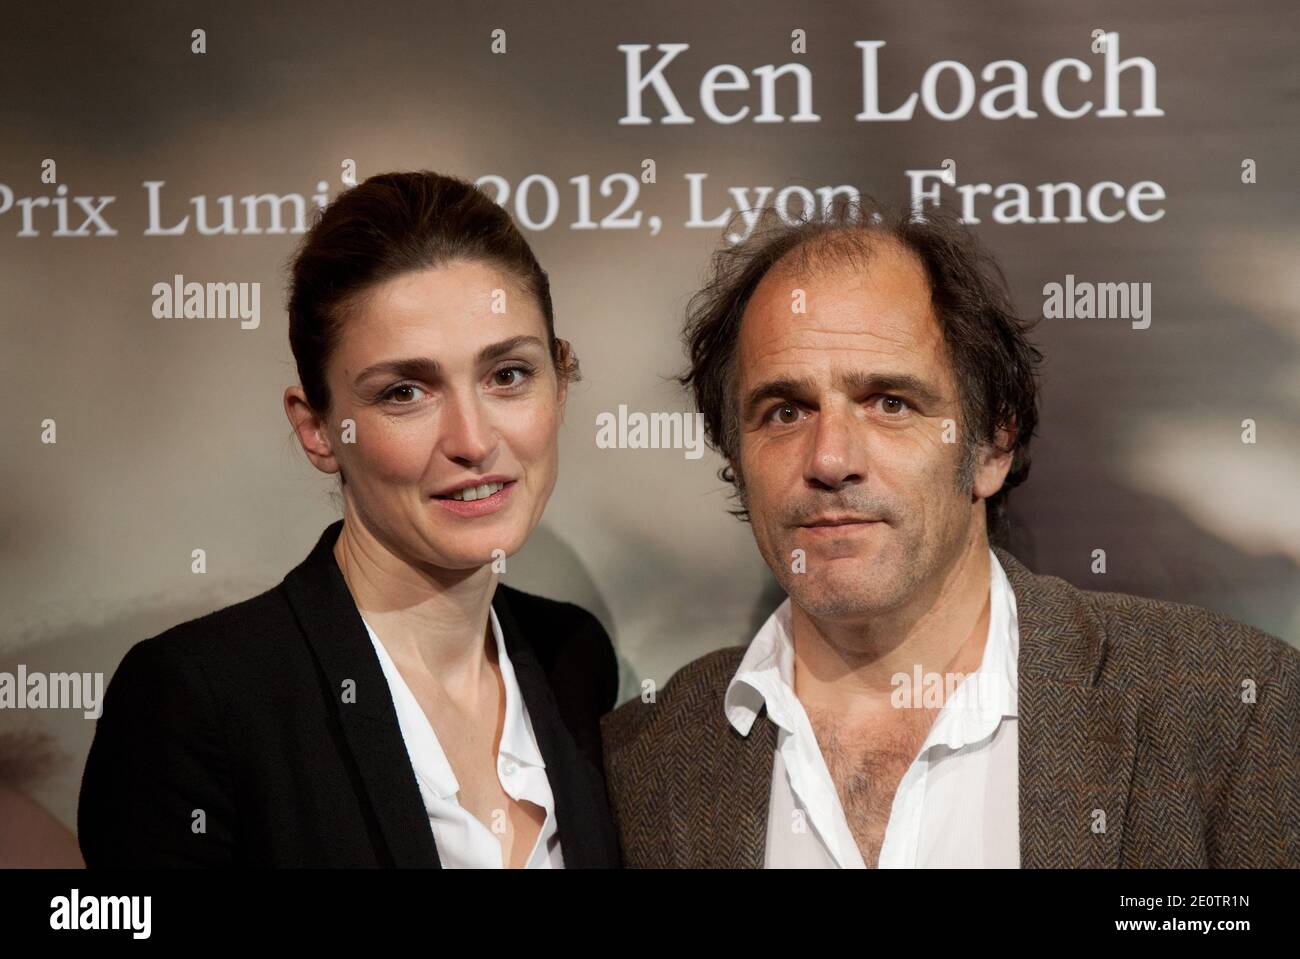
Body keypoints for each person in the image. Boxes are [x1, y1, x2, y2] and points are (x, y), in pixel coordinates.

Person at [601, 200, 1300, 868]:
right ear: (734, 454)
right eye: (784, 411)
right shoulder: (641, 762)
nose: (830, 459)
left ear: (994, 445)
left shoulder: (1227, 708)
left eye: (890, 402)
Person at [79, 171, 621, 868]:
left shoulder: (571, 658)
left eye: (508, 374)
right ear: (317, 430)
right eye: (405, 391)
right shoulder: (199, 703)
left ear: (561, 381)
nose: (472, 438)